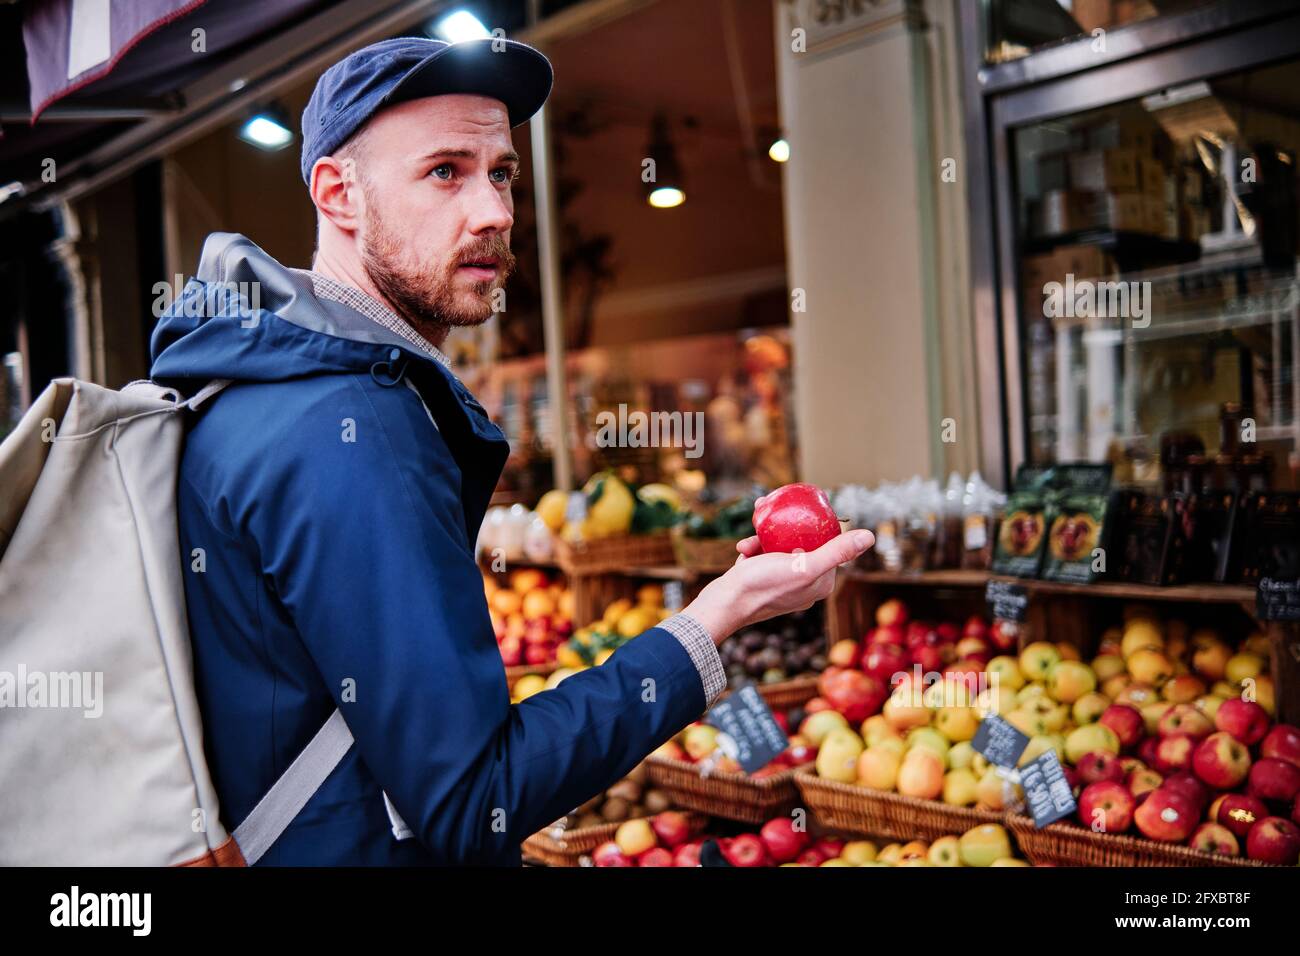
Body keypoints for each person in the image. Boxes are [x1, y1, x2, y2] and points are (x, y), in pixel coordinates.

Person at [150, 36, 873, 865]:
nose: (494, 211)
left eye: (500, 173)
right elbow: (476, 800)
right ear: (337, 193)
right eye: (445, 172)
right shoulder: (353, 425)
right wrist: (721, 615)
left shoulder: (254, 385)